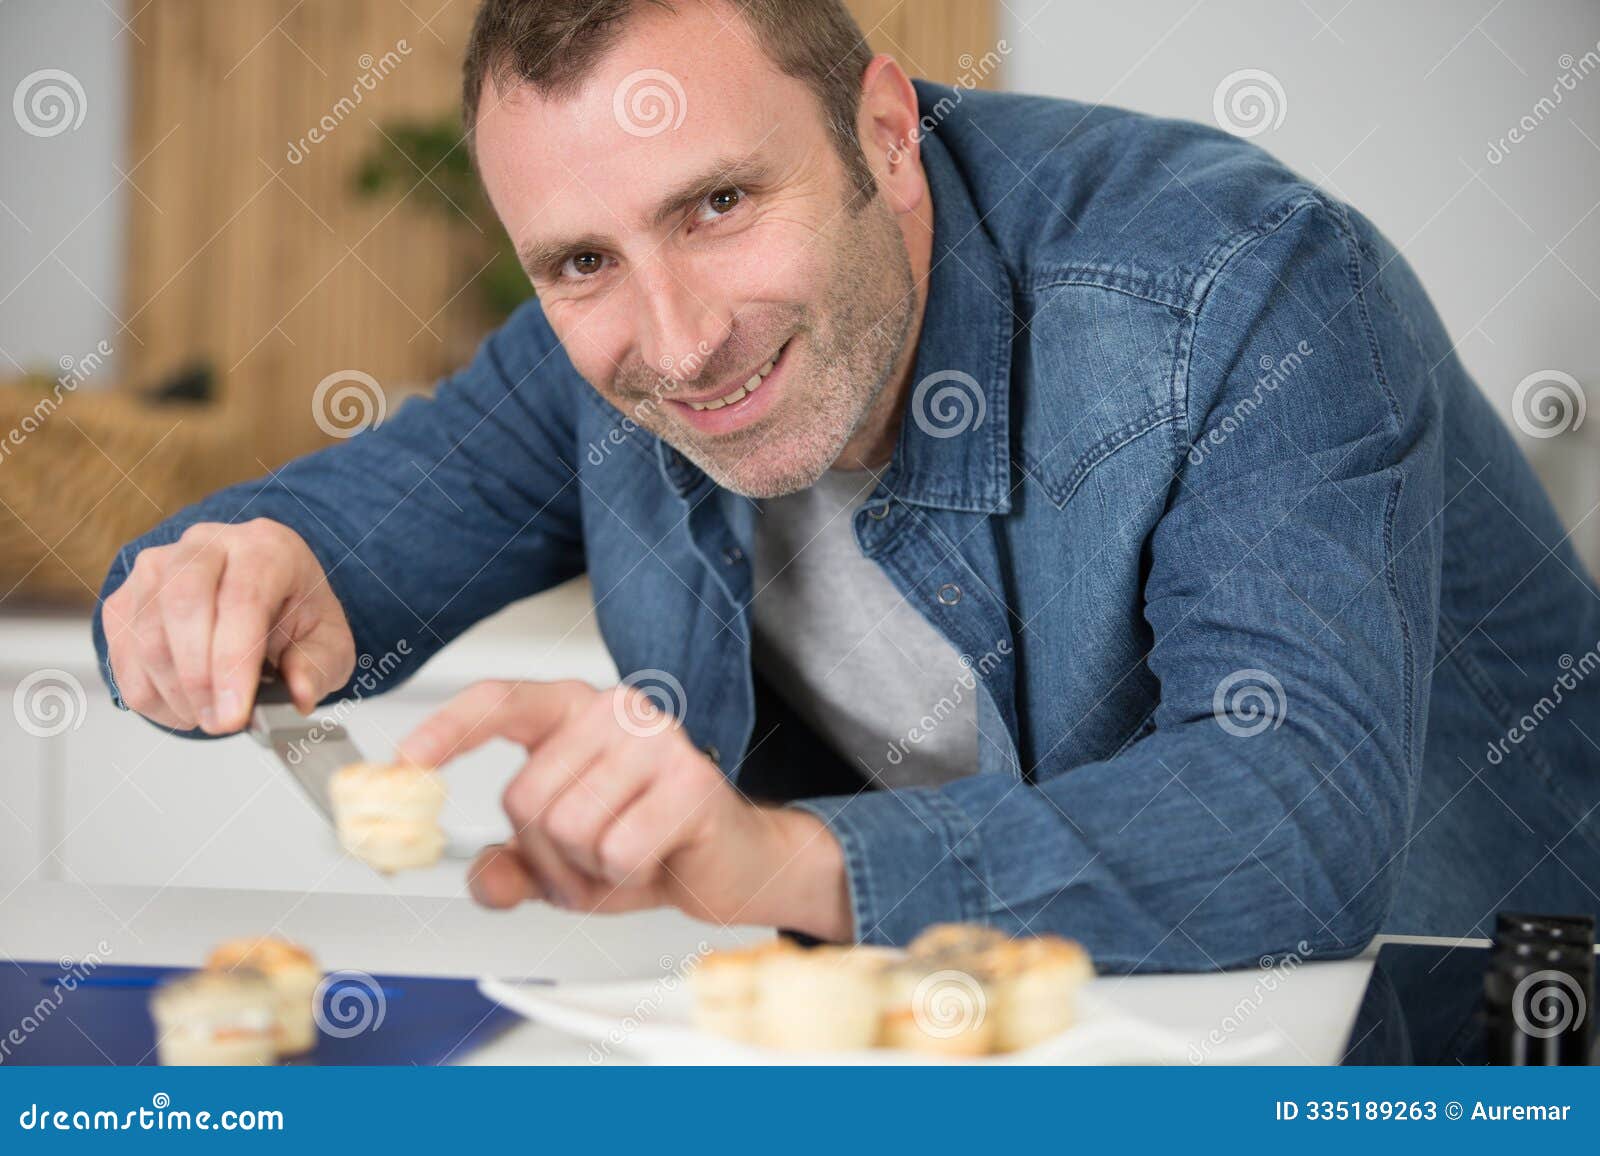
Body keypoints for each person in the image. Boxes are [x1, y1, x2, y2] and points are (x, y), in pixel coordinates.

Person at [94, 0, 1600, 971]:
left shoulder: (1244, 289)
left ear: (884, 135)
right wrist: (210, 589)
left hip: (1454, 1050)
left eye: (723, 204)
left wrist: (783, 863)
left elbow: (1294, 826)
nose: (676, 344)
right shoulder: (599, 352)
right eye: (582, 259)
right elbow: (295, 550)